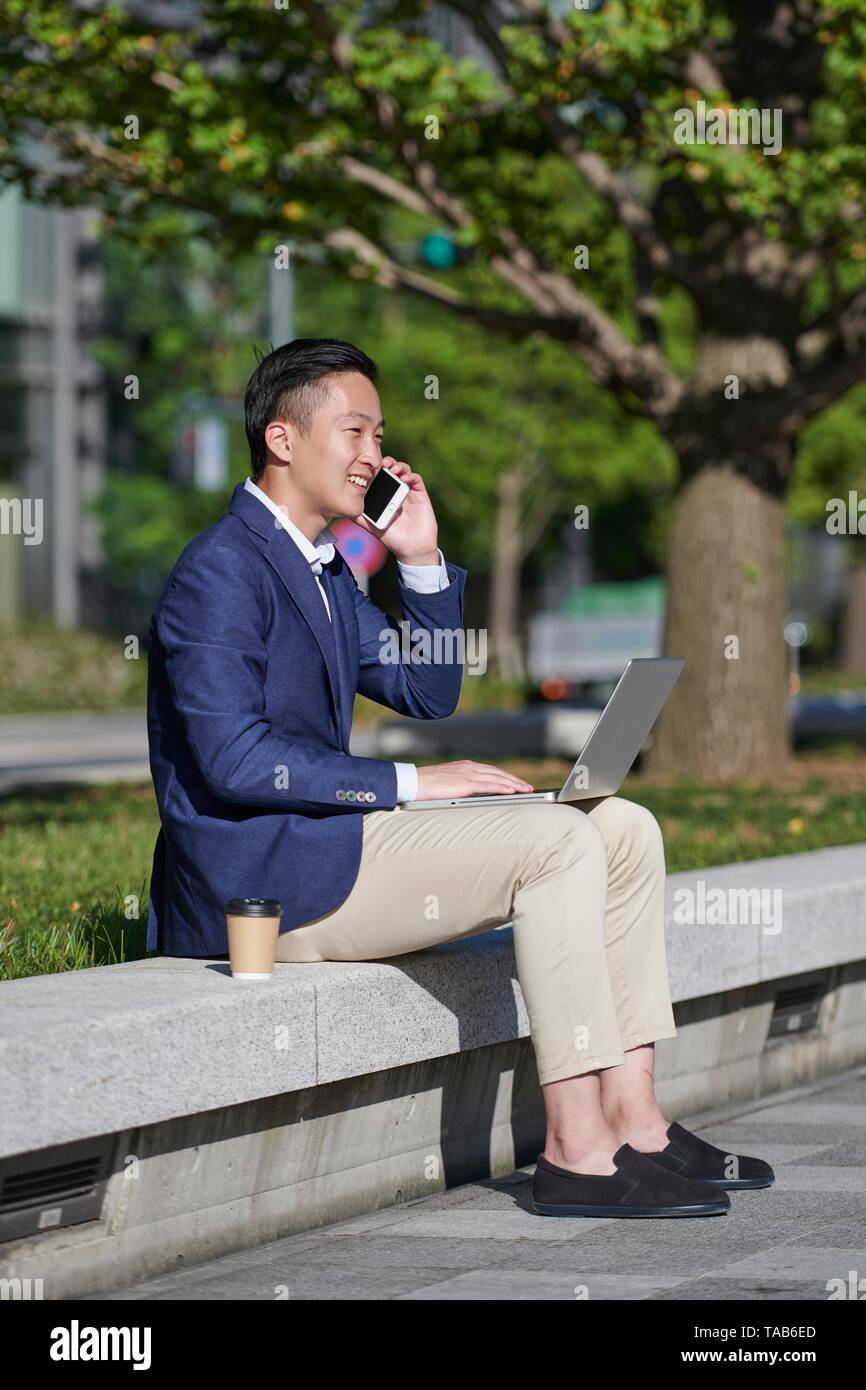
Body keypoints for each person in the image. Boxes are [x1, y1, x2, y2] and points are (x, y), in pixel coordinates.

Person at [145, 337, 774, 1218]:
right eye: (355, 431)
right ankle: (574, 1150)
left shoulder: (323, 570)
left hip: (329, 846)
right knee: (558, 842)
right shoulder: (221, 569)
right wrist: (408, 784)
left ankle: (637, 1121)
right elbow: (233, 760)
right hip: (261, 885)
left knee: (624, 829)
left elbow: (425, 689)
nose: (373, 456)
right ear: (282, 440)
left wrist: (423, 560)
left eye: (378, 434)